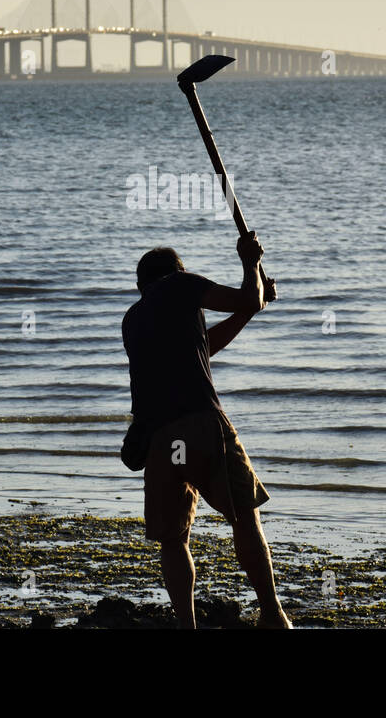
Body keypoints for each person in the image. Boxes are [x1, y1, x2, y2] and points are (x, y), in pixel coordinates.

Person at [121, 232, 291, 629]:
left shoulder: (133, 319)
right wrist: (250, 263)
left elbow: (203, 346)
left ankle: (187, 625)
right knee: (245, 517)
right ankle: (272, 615)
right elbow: (247, 299)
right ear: (178, 273)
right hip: (201, 424)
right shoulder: (181, 285)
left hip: (162, 442)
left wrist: (253, 304)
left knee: (174, 539)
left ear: (140, 285)